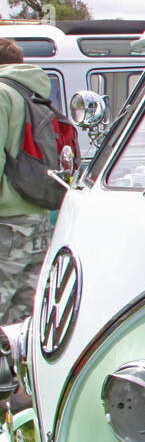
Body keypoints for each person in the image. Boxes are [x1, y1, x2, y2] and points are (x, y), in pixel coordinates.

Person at [0, 37, 55, 331]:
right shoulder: (35, 92)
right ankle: (19, 376)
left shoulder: (1, 94)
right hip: (39, 215)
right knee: (26, 315)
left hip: (6, 223)